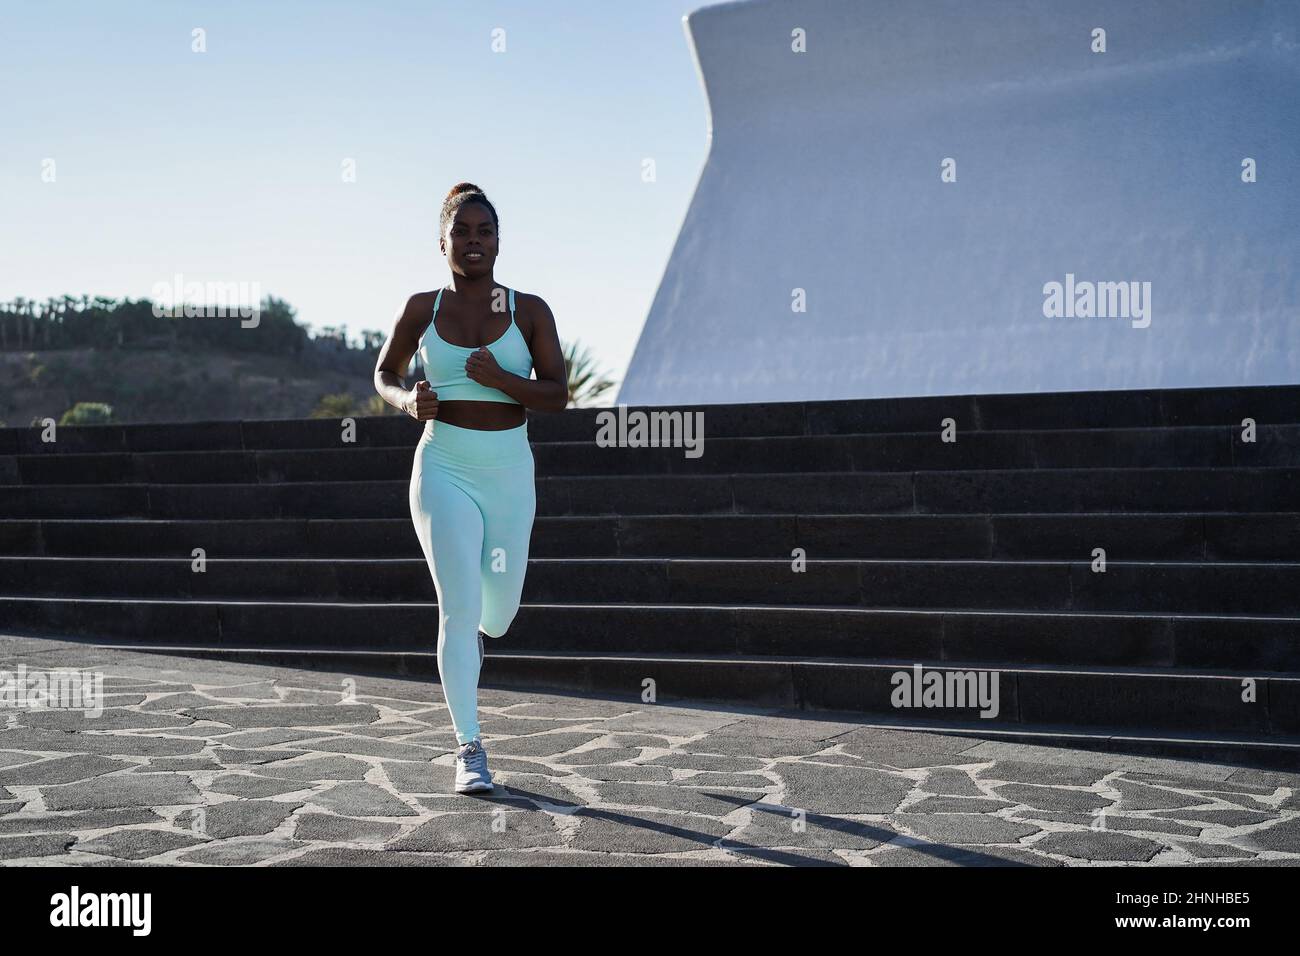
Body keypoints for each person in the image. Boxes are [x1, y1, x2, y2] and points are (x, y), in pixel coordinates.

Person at [373, 182, 568, 793]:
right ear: (443, 242)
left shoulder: (529, 310)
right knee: (457, 611)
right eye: (463, 232)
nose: (474, 241)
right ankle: (470, 748)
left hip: (509, 474)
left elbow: (557, 395)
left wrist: (503, 378)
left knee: (499, 615)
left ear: (498, 242)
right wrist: (409, 399)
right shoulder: (420, 309)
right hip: (443, 470)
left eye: (484, 232)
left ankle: (477, 640)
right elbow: (384, 372)